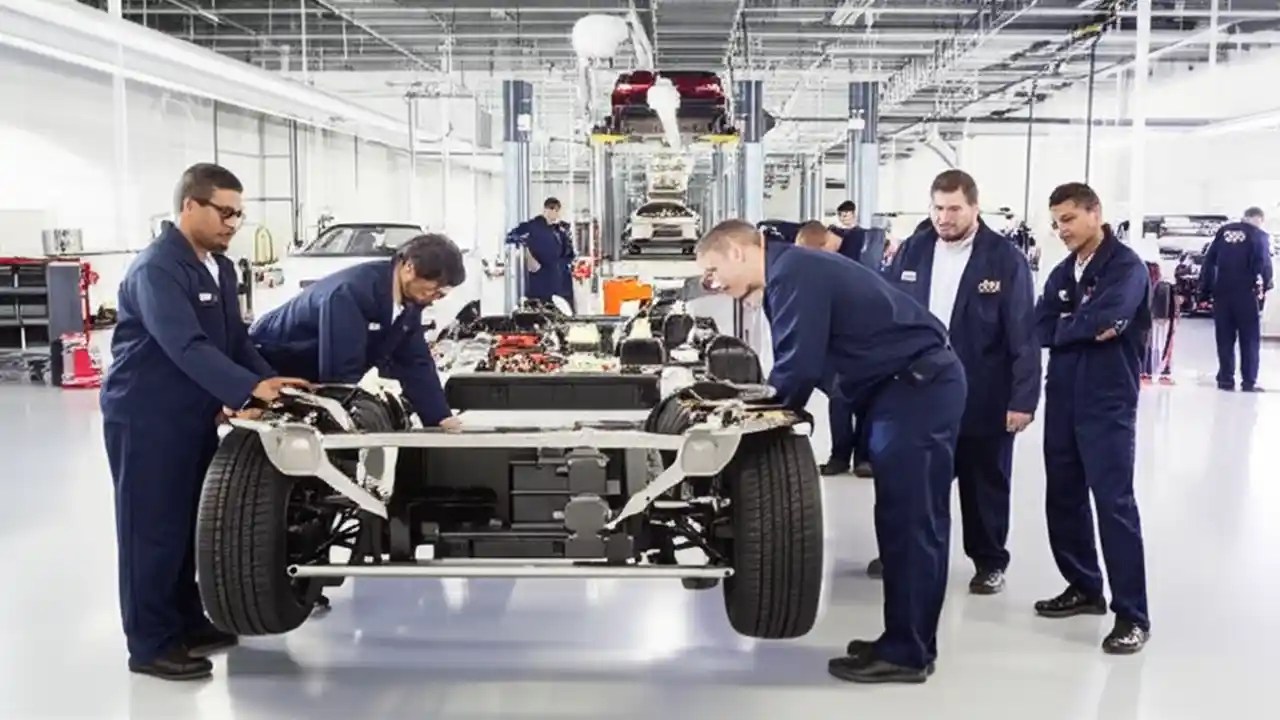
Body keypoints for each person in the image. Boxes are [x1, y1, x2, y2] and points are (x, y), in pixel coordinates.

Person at [695, 219, 966, 684]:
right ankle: (907, 640)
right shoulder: (791, 270)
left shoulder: (793, 272)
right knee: (901, 521)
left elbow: (797, 367)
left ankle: (908, 654)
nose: (714, 284)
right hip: (901, 391)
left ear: (738, 252)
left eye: (713, 271)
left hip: (915, 390)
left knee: (912, 522)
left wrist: (753, 421)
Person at [100, 163, 310, 681]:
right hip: (147, 415)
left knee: (189, 522)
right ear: (189, 206)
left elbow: (233, 340)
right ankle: (150, 644)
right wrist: (245, 390)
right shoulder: (157, 269)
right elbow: (185, 344)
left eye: (239, 214)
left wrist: (269, 381)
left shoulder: (220, 268)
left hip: (193, 412)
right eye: (224, 212)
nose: (233, 224)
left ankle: (188, 622)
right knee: (151, 530)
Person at [880, 169, 1040, 595]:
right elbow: (891, 315)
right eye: (938, 208)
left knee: (984, 482)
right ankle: (909, 552)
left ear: (974, 207)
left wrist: (1023, 400)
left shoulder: (1004, 259)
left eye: (954, 209)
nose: (944, 218)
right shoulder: (913, 250)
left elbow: (1024, 334)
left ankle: (989, 562)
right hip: (919, 391)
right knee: (914, 480)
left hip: (983, 392)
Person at [1034, 182, 1151, 654]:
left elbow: (1108, 319)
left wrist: (1071, 325)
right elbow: (1040, 326)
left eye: (1068, 219)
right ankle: (1084, 585)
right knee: (1063, 497)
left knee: (1113, 504)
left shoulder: (1126, 268)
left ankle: (1132, 615)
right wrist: (1079, 326)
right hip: (1063, 396)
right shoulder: (1063, 271)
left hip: (1107, 401)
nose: (1061, 229)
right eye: (1056, 222)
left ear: (1095, 213)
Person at [250, 233, 467, 431]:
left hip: (310, 369)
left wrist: (440, 418)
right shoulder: (350, 293)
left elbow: (414, 362)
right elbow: (341, 374)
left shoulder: (409, 302)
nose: (436, 298)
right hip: (270, 358)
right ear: (409, 268)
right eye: (435, 290)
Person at [795, 222, 872, 478]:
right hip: (834, 345)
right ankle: (841, 456)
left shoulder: (857, 257)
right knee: (840, 399)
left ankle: (862, 457)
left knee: (864, 400)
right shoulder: (820, 267)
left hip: (862, 342)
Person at [1201, 206, 1273, 391]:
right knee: (1249, 339)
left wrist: (1204, 292)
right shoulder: (1258, 235)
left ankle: (1225, 379)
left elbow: (1209, 262)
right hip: (1246, 294)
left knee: (1224, 338)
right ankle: (1249, 381)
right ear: (1258, 219)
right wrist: (1266, 284)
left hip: (1222, 293)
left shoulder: (1223, 232)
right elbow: (1263, 263)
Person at [507, 197, 575, 309]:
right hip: (540, 277)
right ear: (545, 210)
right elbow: (512, 237)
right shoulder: (533, 226)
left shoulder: (560, 231)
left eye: (557, 210)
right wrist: (528, 255)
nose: (555, 213)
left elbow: (569, 253)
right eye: (552, 209)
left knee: (560, 309)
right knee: (541, 308)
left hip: (559, 279)